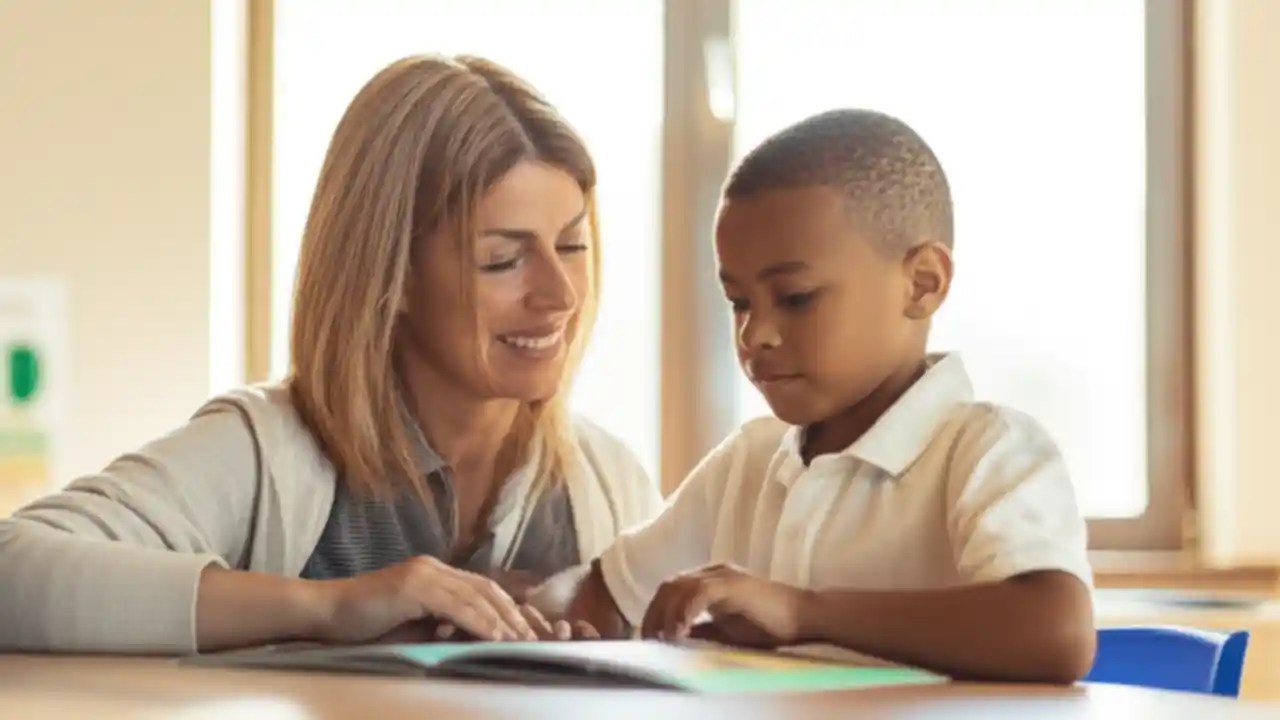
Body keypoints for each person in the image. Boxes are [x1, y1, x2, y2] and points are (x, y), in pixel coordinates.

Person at [0, 55, 660, 654]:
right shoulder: (268, 454)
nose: (561, 293)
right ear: (391, 272)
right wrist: (325, 606)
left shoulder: (606, 484)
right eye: (503, 259)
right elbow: (12, 572)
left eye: (572, 246)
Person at [532, 109, 1095, 683]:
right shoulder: (747, 463)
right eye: (739, 302)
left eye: (796, 298)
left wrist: (805, 611)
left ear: (922, 284)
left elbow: (1057, 633)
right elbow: (602, 591)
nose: (756, 335)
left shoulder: (985, 451)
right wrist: (535, 616)